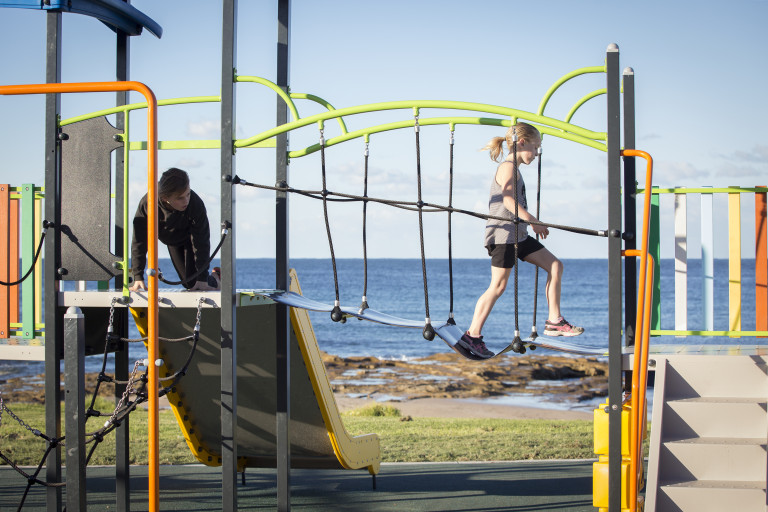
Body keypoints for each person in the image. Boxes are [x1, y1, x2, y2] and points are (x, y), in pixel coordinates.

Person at [458, 123, 583, 359]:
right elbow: (508, 201)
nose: (536, 154)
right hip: (504, 235)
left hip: (518, 235)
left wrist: (529, 224)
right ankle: (472, 335)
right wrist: (533, 220)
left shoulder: (515, 169)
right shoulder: (507, 168)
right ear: (522, 143)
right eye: (535, 148)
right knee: (498, 286)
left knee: (555, 265)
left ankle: (554, 320)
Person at [130, 168, 220, 292]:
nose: (186, 201)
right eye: (180, 198)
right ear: (165, 197)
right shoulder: (148, 204)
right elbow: (139, 241)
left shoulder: (195, 203)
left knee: (193, 283)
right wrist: (138, 277)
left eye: (188, 194)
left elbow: (202, 241)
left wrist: (203, 279)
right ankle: (210, 277)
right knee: (188, 282)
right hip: (171, 240)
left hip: (189, 238)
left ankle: (216, 277)